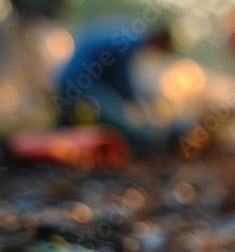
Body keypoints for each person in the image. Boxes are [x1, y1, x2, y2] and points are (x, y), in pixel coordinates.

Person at [52, 20, 186, 154]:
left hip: (73, 76)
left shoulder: (129, 34)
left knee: (68, 122)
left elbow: (110, 72)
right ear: (161, 41)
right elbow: (119, 76)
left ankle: (58, 141)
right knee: (116, 121)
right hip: (80, 79)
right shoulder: (130, 42)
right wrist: (133, 100)